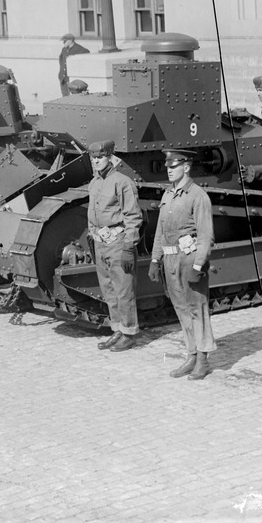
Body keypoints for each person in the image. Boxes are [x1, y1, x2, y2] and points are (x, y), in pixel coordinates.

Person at [148, 149, 216, 381]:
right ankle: (192, 354)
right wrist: (155, 260)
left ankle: (203, 360)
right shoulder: (168, 195)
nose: (169, 170)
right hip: (169, 260)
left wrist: (199, 265)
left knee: (198, 309)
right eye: (167, 166)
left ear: (186, 167)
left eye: (173, 166)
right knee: (181, 308)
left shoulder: (198, 196)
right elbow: (160, 231)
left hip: (188, 260)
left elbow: (206, 236)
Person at [87, 140, 143, 352]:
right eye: (93, 158)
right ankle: (117, 329)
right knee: (109, 290)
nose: (96, 161)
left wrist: (129, 246)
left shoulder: (123, 182)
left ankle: (129, 332)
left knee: (123, 289)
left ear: (110, 157)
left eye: (100, 157)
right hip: (101, 243)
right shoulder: (94, 183)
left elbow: (133, 216)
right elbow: (92, 214)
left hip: (118, 243)